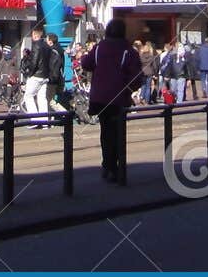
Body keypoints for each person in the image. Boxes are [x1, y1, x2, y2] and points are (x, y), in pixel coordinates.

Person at [83, 20, 144, 183]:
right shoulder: (128, 50)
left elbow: (86, 64)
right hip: (119, 98)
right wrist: (129, 89)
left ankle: (107, 164)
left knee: (105, 131)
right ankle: (116, 166)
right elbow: (137, 76)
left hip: (100, 98)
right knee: (118, 132)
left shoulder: (99, 48)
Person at [21, 27, 51, 116]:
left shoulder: (36, 45)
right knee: (42, 98)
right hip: (45, 76)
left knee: (28, 96)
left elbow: (34, 62)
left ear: (35, 35)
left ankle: (34, 120)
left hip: (36, 75)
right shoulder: (47, 46)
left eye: (32, 34)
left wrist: (29, 73)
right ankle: (44, 121)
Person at [45, 33, 68, 115]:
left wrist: (50, 78)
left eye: (46, 39)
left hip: (53, 79)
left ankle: (65, 115)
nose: (45, 41)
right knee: (52, 100)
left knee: (49, 100)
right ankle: (63, 115)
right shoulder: (59, 50)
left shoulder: (53, 51)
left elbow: (53, 66)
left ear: (50, 41)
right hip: (59, 78)